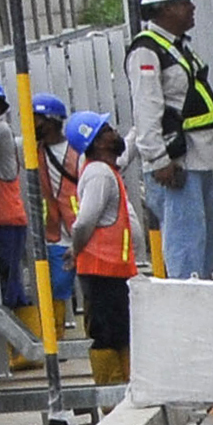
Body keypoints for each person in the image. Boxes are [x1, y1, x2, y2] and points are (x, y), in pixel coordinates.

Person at [126, 0, 213, 280]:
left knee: (205, 238)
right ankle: (188, 298)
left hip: (198, 159)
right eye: (184, 3)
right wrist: (158, 160)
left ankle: (203, 293)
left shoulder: (176, 45)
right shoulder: (147, 51)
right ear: (165, 8)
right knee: (186, 245)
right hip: (177, 164)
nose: (192, 8)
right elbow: (147, 109)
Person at [63, 111, 136, 386]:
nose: (114, 133)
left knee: (121, 330)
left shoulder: (106, 170)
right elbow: (84, 222)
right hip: (101, 269)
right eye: (107, 130)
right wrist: (76, 249)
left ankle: (125, 386)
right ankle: (111, 394)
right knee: (106, 334)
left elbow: (128, 153)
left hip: (111, 269)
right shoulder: (99, 174)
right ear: (96, 142)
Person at [0, 74, 44, 352]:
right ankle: (23, 344)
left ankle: (21, 346)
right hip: (4, 221)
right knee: (8, 280)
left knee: (9, 284)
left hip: (6, 221)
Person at [32, 92, 78, 326]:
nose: (31, 124)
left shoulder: (77, 150)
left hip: (83, 229)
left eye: (36, 119)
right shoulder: (34, 151)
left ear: (50, 121)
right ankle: (55, 337)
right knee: (58, 286)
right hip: (56, 232)